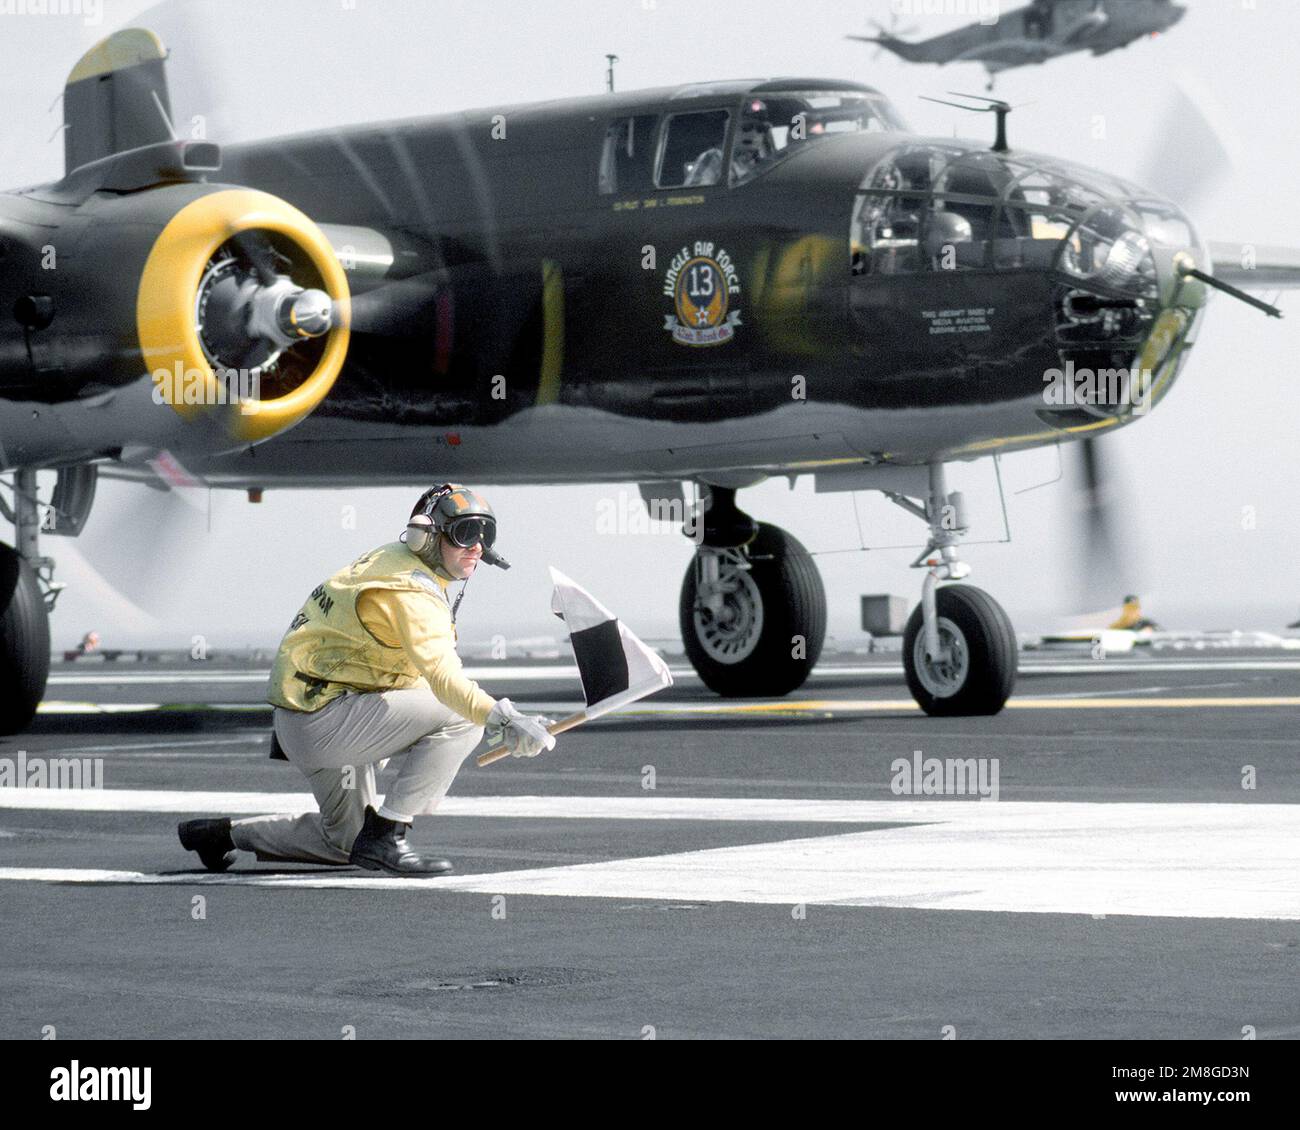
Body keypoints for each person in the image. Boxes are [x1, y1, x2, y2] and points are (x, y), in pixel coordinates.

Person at [177, 484, 556, 876]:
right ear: (426, 537)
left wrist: (505, 716)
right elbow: (444, 680)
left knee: (343, 843)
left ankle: (221, 836)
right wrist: (504, 718)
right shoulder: (412, 592)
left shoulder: (391, 560)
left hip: (308, 714)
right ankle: (387, 835)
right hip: (327, 721)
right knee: (461, 719)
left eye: (484, 534)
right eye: (464, 534)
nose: (476, 547)